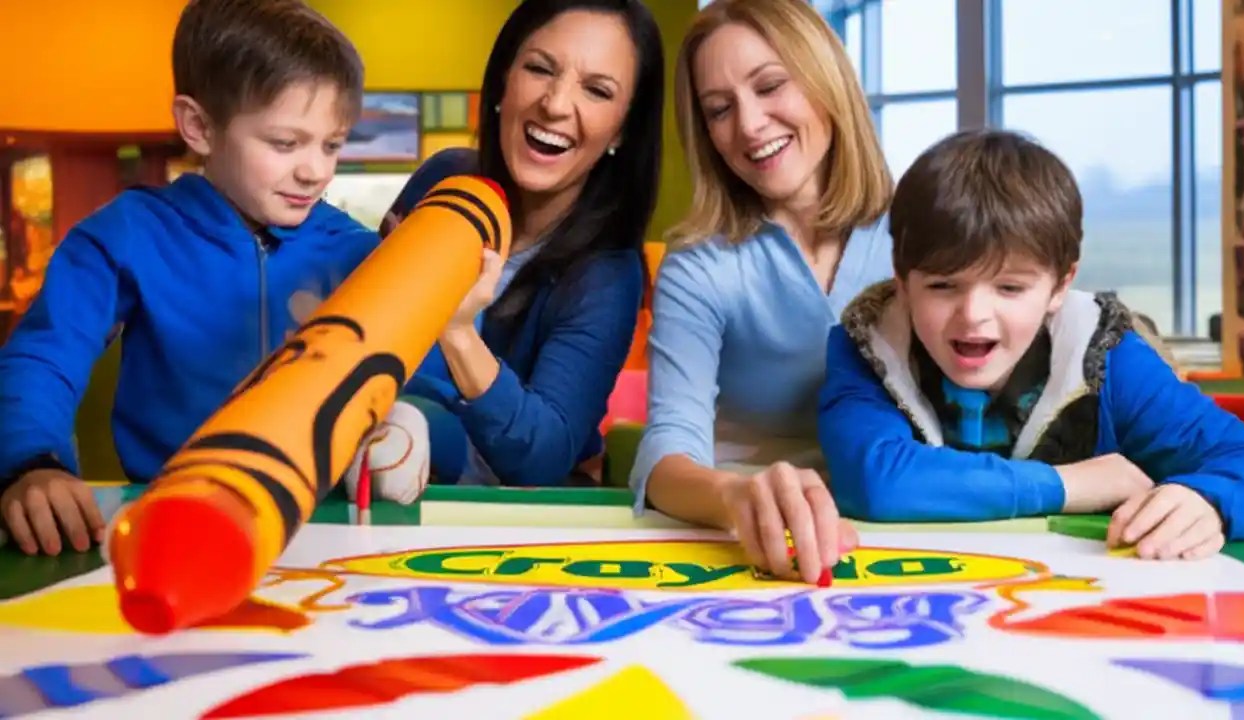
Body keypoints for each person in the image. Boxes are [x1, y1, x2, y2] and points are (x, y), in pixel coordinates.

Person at [0, 0, 377, 556]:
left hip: (330, 532)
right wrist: (32, 462)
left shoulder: (359, 252)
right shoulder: (127, 233)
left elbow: (432, 391)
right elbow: (46, 355)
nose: (315, 170)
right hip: (173, 524)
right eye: (285, 143)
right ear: (199, 126)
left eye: (332, 144)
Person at [819, 129, 1244, 560]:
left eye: (1010, 288)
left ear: (1060, 286)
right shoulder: (865, 347)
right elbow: (874, 480)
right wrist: (1071, 485)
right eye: (943, 286)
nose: (974, 314)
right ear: (901, 281)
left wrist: (1211, 500)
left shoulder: (1110, 358)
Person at [629, 0, 894, 586]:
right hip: (742, 547)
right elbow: (668, 455)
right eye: (719, 110)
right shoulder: (698, 264)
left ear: (827, 81)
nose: (748, 125)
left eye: (770, 86)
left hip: (893, 531)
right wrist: (737, 496)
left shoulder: (920, 233)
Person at [378, 0, 664, 489]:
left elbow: (544, 455)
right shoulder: (443, 178)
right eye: (538, 68)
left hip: (500, 516)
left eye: (596, 91)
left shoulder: (607, 274)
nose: (555, 104)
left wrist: (458, 331)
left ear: (622, 129)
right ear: (503, 82)